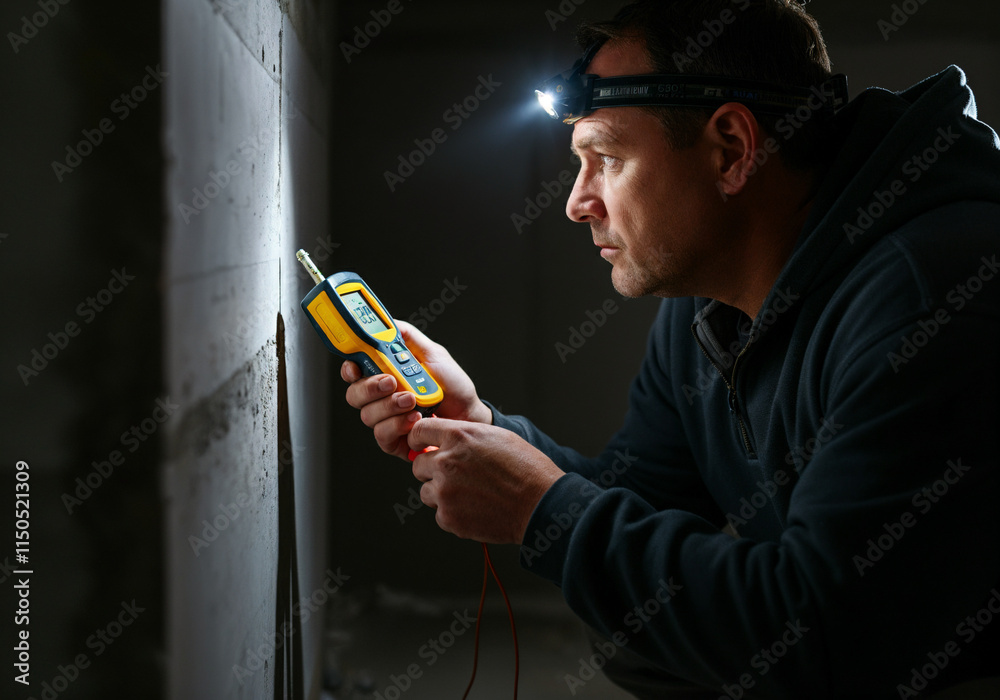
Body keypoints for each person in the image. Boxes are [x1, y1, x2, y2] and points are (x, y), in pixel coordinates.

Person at [343, 1, 1000, 697]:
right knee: (642, 627)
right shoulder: (710, 308)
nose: (576, 202)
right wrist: (484, 427)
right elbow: (640, 500)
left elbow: (831, 636)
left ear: (731, 151)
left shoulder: (931, 293)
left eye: (607, 159)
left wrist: (539, 508)